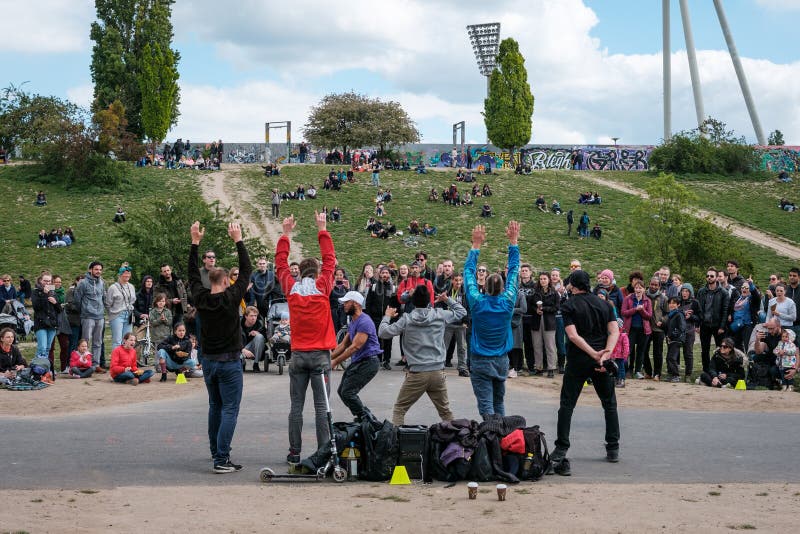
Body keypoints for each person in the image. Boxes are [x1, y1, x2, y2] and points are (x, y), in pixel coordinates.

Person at [188, 220, 251, 474]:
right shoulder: (231, 297)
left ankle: (216, 452)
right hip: (229, 362)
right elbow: (246, 271)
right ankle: (222, 459)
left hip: (209, 362)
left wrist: (195, 243)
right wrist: (238, 240)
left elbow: (192, 275)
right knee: (230, 409)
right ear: (225, 281)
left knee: (215, 406)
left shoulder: (201, 298)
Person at [276, 212, 337, 465]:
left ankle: (294, 452)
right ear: (318, 272)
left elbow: (280, 264)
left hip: (299, 354)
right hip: (320, 355)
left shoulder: (291, 289)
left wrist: (286, 234)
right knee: (322, 407)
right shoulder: (323, 287)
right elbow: (330, 259)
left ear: (299, 273)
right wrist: (322, 228)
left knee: (296, 407)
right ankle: (323, 453)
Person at [550, 269, 620, 476]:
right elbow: (614, 330)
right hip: (601, 358)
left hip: (579, 359)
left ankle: (561, 447)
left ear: (572, 285)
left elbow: (572, 336)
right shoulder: (605, 304)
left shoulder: (569, 305)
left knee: (567, 404)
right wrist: (605, 355)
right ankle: (613, 447)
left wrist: (593, 354)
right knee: (609, 403)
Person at [378, 285, 466, 425]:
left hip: (417, 373)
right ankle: (454, 437)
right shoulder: (440, 314)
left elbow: (383, 333)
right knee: (445, 411)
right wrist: (447, 299)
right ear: (429, 300)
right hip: (437, 372)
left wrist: (387, 316)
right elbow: (462, 312)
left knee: (400, 409)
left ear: (413, 301)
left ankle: (396, 437)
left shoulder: (407, 319)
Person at [464, 221, 520, 419]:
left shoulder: (477, 302)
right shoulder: (508, 301)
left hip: (480, 359)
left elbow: (468, 274)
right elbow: (514, 272)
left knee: (486, 405)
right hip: (501, 360)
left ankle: (492, 434)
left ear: (484, 288)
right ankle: (502, 434)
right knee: (498, 403)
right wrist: (513, 242)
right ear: (502, 289)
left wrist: (476, 245)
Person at [330, 291, 381, 422]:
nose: (344, 305)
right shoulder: (353, 321)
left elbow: (354, 347)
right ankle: (363, 417)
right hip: (360, 361)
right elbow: (343, 345)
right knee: (342, 391)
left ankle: (368, 420)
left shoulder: (365, 322)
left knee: (348, 393)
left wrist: (335, 362)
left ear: (356, 304)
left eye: (347, 302)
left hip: (369, 362)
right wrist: (329, 358)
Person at [74, 262, 107, 371]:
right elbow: (77, 299)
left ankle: (96, 365)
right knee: (85, 341)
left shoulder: (102, 282)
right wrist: (85, 310)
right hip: (87, 316)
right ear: (90, 270)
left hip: (100, 316)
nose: (98, 271)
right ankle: (85, 364)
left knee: (98, 342)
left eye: (100, 270)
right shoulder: (83, 283)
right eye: (96, 269)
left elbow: (104, 297)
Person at [697, 267, 731, 374]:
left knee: (721, 349)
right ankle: (706, 371)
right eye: (707, 276)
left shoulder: (724, 292)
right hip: (705, 324)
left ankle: (719, 371)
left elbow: (725, 310)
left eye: (711, 276)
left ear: (716, 278)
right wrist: (698, 324)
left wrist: (722, 326)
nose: (709, 278)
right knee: (704, 350)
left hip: (718, 325)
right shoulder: (701, 291)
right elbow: (698, 309)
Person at [365, 266, 396, 371]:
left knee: (388, 339)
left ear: (389, 275)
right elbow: (368, 303)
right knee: (376, 339)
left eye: (387, 273)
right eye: (383, 273)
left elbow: (395, 303)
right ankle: (378, 360)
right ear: (380, 274)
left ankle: (386, 360)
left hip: (388, 317)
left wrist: (393, 316)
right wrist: (369, 316)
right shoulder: (373, 287)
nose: (385, 275)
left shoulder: (393, 288)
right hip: (375, 317)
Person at [621, 281, 653, 379]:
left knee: (641, 351)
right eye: (636, 288)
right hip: (630, 329)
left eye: (640, 288)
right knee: (628, 350)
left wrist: (642, 310)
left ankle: (638, 371)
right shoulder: (628, 298)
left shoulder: (647, 300)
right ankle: (627, 370)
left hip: (643, 330)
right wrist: (635, 309)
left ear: (644, 289)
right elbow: (623, 312)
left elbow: (649, 316)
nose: (638, 290)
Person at [31, 272, 61, 370]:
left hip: (52, 324)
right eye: (45, 280)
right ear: (41, 280)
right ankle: (36, 369)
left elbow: (59, 310)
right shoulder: (35, 292)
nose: (47, 283)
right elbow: (36, 307)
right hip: (41, 324)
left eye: (49, 281)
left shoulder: (53, 292)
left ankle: (44, 369)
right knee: (42, 348)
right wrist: (44, 295)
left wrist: (55, 303)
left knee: (48, 348)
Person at [106, 266, 136, 349]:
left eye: (129, 273)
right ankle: (116, 357)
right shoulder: (113, 287)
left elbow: (133, 300)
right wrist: (112, 313)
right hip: (117, 315)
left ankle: (125, 357)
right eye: (125, 273)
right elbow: (108, 303)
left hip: (129, 314)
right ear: (120, 275)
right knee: (117, 340)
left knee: (127, 340)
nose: (127, 275)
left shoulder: (131, 287)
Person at [665, 297, 688, 383]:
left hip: (677, 339)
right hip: (671, 339)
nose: (671, 305)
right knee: (668, 358)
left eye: (674, 303)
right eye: (670, 303)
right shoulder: (671, 315)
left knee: (672, 357)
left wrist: (672, 335)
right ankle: (671, 375)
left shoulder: (679, 314)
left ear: (678, 305)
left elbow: (682, 328)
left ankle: (676, 375)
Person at [240, 306, 266, 372]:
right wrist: (242, 349)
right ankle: (242, 362)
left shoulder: (260, 324)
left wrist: (258, 333)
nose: (253, 318)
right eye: (251, 316)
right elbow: (234, 340)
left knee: (259, 337)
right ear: (246, 316)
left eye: (255, 316)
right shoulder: (239, 324)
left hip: (254, 348)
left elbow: (267, 339)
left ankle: (256, 364)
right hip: (242, 348)